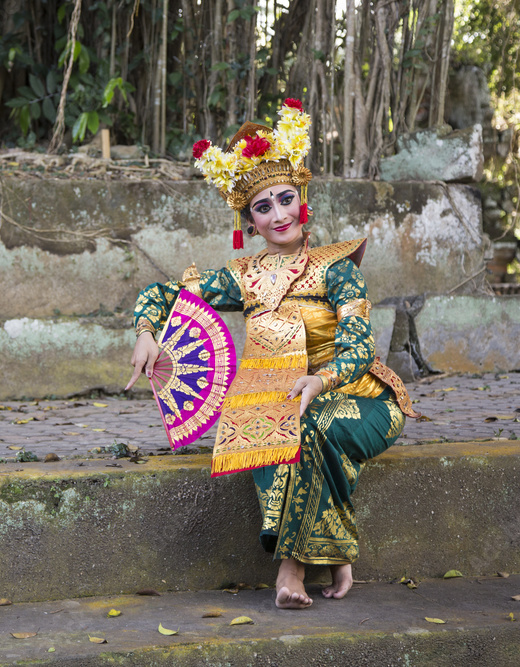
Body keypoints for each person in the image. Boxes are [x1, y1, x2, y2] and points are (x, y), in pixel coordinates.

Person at [125, 99, 419, 609]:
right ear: (251, 223)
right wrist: (147, 332)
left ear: (302, 201)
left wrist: (319, 381)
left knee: (307, 422)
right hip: (283, 399)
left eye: (285, 200)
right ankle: (330, 550)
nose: (278, 214)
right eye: (263, 207)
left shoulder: (337, 268)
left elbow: (361, 346)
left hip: (362, 396)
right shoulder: (244, 276)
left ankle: (292, 568)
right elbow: (161, 292)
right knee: (269, 416)